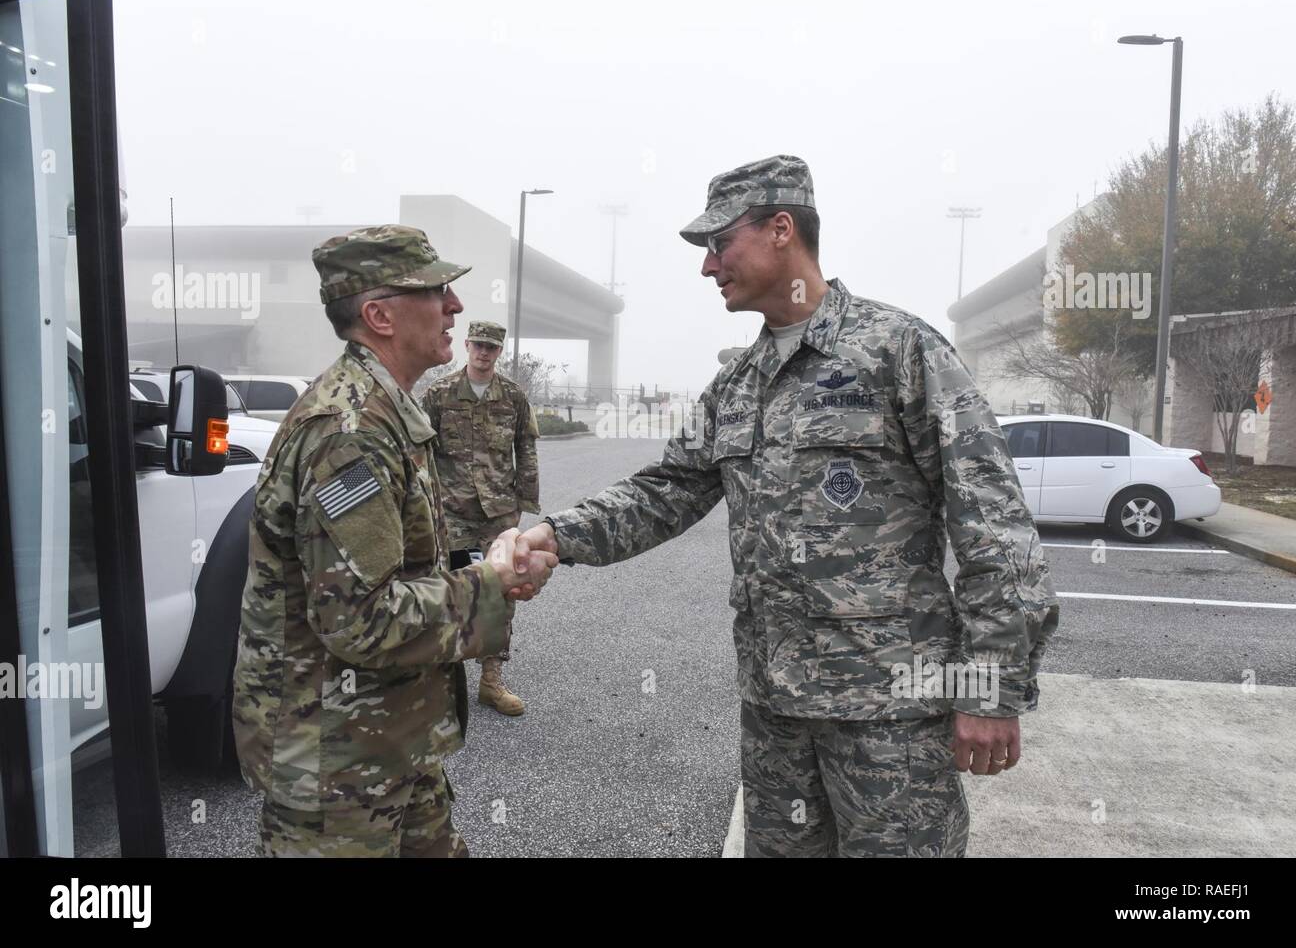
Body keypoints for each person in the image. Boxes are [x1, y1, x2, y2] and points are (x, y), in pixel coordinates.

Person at [516, 155, 1058, 857]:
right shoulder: (738, 383)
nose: (709, 266)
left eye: (719, 243)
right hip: (776, 717)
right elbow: (667, 489)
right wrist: (556, 534)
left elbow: (995, 527)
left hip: (889, 718)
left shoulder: (898, 351)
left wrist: (989, 685)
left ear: (780, 229)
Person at [233, 224, 557, 857]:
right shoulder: (347, 431)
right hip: (334, 763)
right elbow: (361, 619)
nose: (456, 308)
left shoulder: (386, 412)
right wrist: (490, 583)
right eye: (437, 292)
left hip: (390, 738)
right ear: (379, 315)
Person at [422, 321, 540, 715]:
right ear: (467, 346)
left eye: (491, 347)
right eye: (478, 345)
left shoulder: (513, 396)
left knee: (502, 590)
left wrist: (523, 501)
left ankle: (491, 681)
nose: (484, 353)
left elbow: (526, 448)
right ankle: (445, 681)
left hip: (497, 512)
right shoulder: (439, 394)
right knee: (451, 588)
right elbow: (419, 450)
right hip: (450, 511)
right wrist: (422, 500)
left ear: (498, 351)